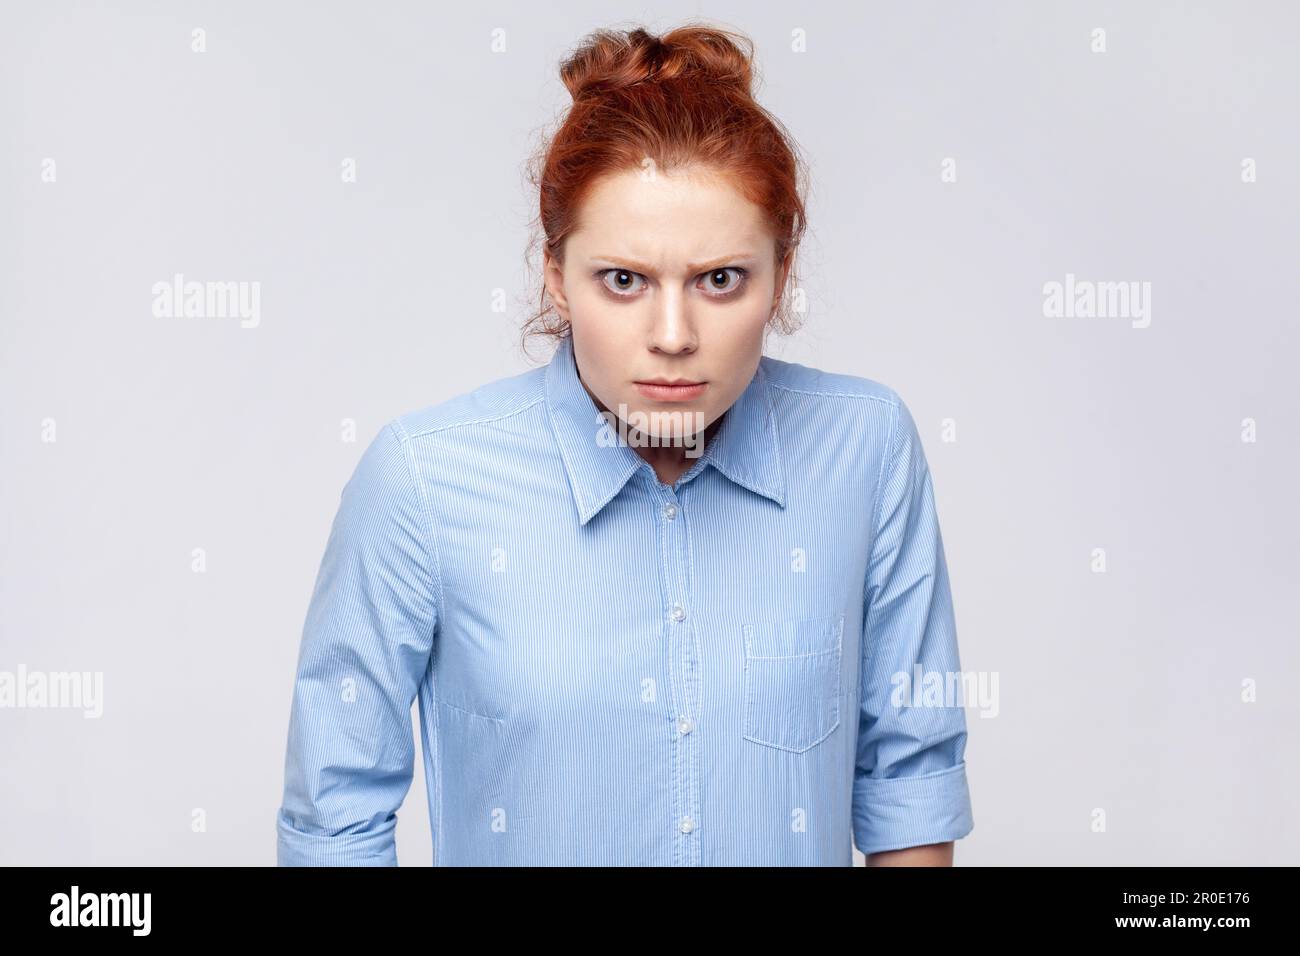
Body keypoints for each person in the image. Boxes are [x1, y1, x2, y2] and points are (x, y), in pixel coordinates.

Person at [276, 22, 974, 866]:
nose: (672, 335)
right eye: (624, 280)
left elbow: (908, 781)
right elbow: (334, 820)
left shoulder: (865, 449)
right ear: (555, 276)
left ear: (780, 276)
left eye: (720, 279)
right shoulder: (420, 480)